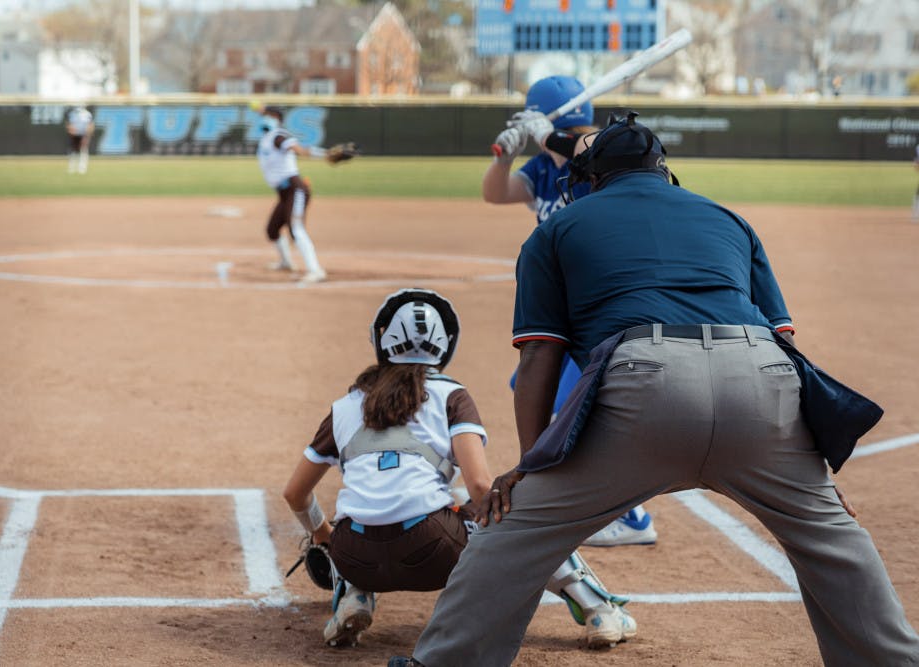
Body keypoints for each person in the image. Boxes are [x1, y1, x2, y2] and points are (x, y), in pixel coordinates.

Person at [388, 113, 919, 667]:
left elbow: (541, 353)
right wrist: (816, 476)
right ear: (663, 171)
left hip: (645, 389)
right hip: (761, 381)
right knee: (834, 540)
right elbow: (784, 343)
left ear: (591, 178)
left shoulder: (557, 229)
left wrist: (532, 466)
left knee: (516, 529)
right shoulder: (729, 218)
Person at [283, 288, 637, 649]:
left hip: (354, 555)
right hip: (433, 551)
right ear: (443, 346)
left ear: (382, 340)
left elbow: (295, 493)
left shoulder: (345, 404)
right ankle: (598, 610)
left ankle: (354, 595)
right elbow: (481, 486)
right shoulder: (451, 395)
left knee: (354, 515)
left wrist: (326, 538)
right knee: (523, 512)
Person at [486, 75, 657, 548]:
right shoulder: (543, 168)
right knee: (532, 390)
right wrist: (504, 153)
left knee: (574, 403)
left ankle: (631, 514)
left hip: (595, 301)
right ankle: (567, 494)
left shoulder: (598, 150)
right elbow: (494, 194)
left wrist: (545, 134)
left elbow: (580, 152)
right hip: (562, 300)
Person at [255, 105, 328, 285]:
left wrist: (325, 155)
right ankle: (286, 262)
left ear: (278, 118)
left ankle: (315, 270)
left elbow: (299, 149)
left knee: (296, 228)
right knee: (272, 229)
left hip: (295, 189)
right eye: (265, 115)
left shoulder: (279, 136)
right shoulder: (266, 138)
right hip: (283, 192)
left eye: (270, 116)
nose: (266, 118)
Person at [65, 105, 94, 175]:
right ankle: (71, 168)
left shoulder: (87, 114)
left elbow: (90, 125)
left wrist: (87, 135)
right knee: (73, 151)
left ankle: (82, 169)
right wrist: (71, 132)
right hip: (75, 135)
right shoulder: (72, 114)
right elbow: (69, 125)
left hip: (83, 134)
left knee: (83, 151)